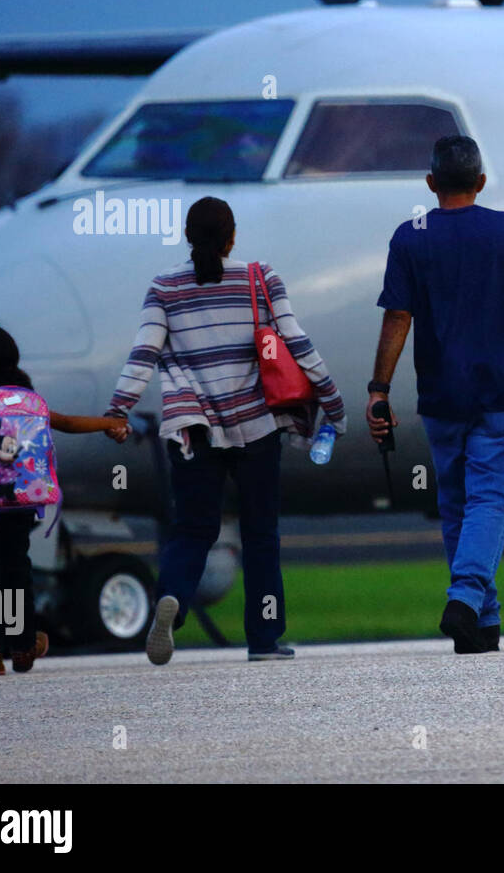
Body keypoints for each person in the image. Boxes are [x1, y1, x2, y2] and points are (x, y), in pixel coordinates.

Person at [106, 196, 346, 665]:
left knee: (193, 528)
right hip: (256, 424)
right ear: (232, 236)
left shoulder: (164, 287)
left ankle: (170, 601)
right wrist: (333, 402)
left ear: (188, 238)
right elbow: (297, 342)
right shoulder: (260, 278)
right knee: (261, 533)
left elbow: (144, 356)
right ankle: (263, 639)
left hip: (192, 427)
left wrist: (119, 409)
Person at [368, 135, 504, 654]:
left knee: (457, 503)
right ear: (481, 182)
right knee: (490, 501)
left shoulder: (408, 237)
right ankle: (464, 598)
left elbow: (398, 317)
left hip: (440, 393)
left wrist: (379, 389)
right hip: (500, 389)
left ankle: (483, 624)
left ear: (430, 183)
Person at [0, 321, 126, 676]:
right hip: (20, 504)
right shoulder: (26, 398)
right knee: (17, 571)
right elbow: (66, 423)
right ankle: (23, 646)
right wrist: (108, 424)